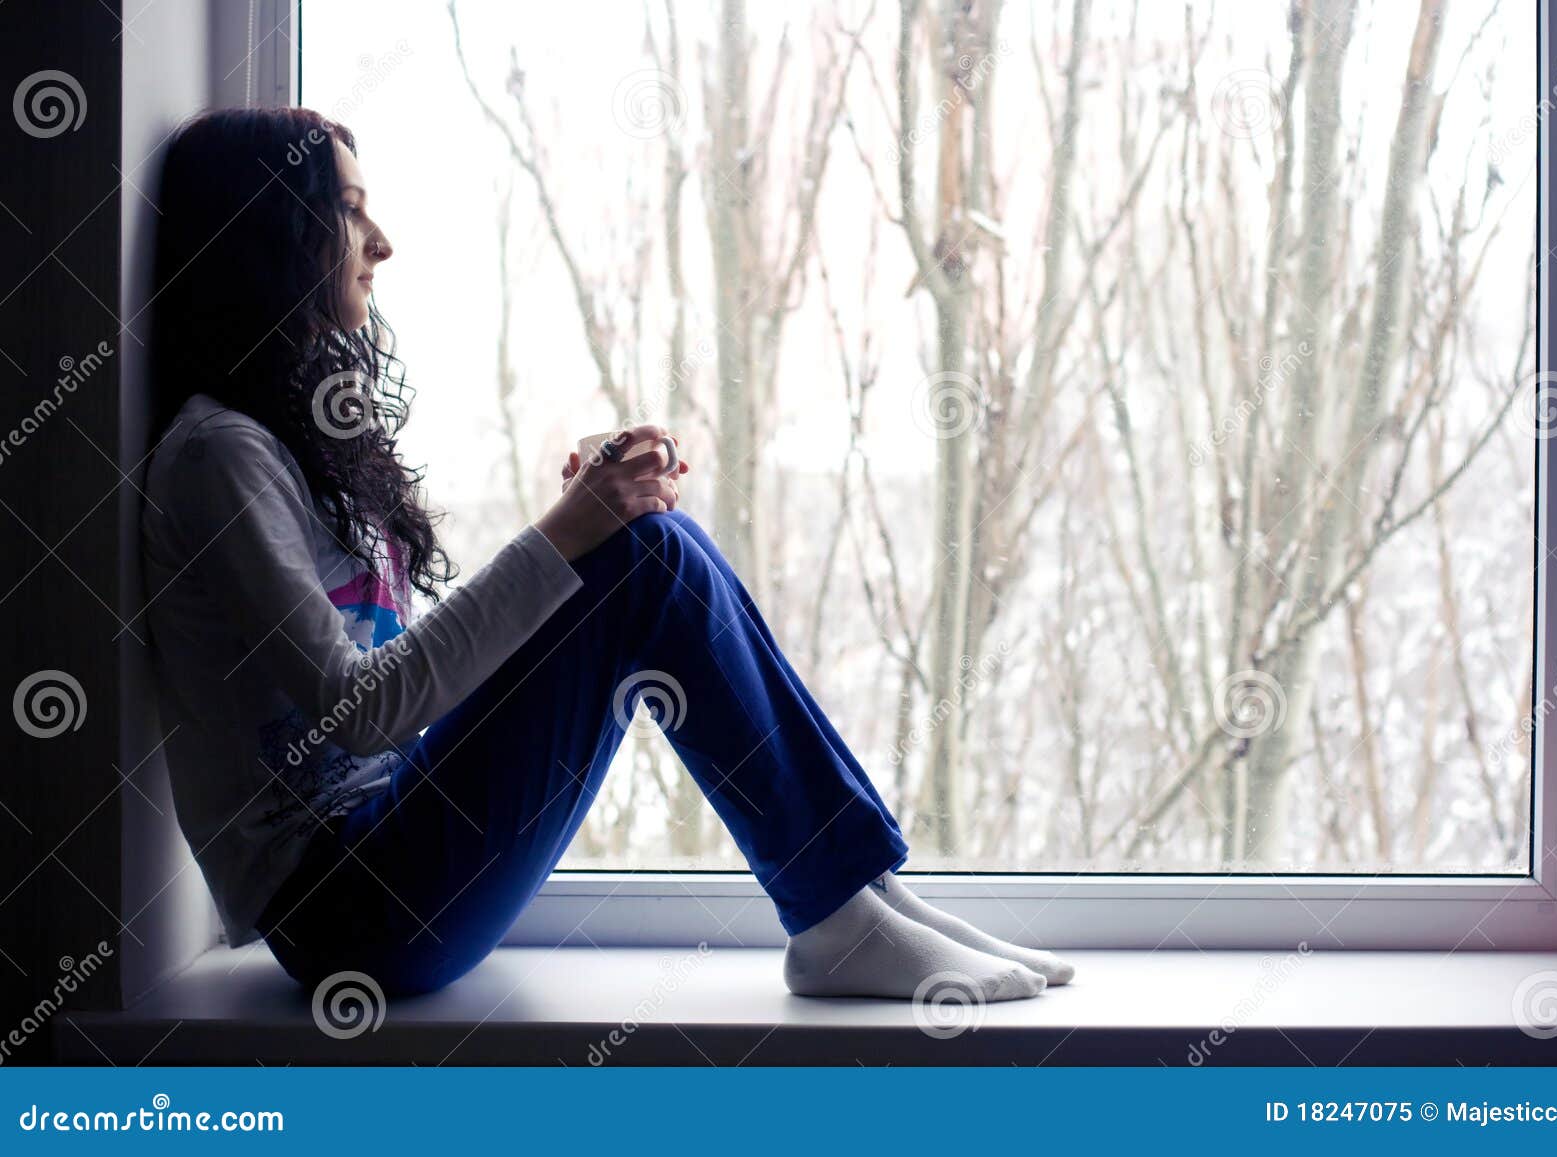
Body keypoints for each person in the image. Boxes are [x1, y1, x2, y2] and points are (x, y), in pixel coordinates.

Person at [139, 106, 1072, 1002]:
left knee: (646, 544)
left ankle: (862, 892)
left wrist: (579, 531)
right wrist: (566, 537)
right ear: (267, 235)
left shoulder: (288, 439)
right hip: (345, 914)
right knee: (640, 560)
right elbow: (366, 709)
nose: (380, 242)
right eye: (347, 210)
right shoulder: (218, 456)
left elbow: (418, 680)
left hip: (395, 858)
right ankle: (838, 908)